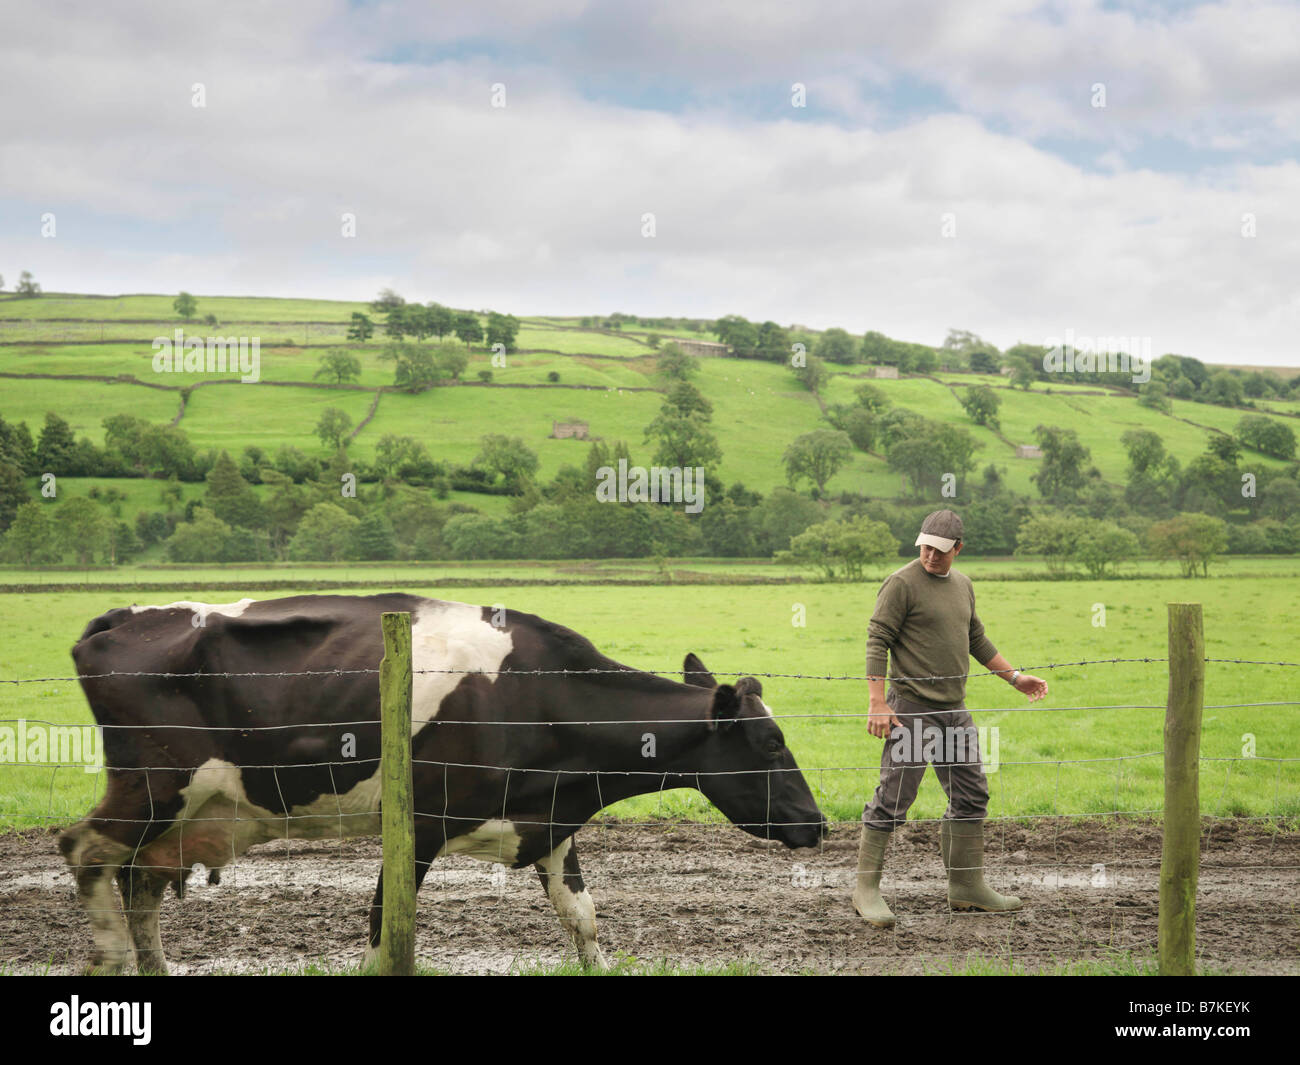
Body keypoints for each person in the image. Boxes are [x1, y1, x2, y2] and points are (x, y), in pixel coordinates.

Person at [852, 509, 1048, 928]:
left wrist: (1014, 677)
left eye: (939, 550)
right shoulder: (901, 583)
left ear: (958, 549)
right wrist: (876, 702)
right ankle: (865, 890)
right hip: (911, 711)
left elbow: (974, 637)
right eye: (924, 547)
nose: (930, 556)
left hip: (954, 712)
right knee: (894, 798)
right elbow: (877, 639)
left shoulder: (963, 585)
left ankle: (966, 887)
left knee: (972, 795)